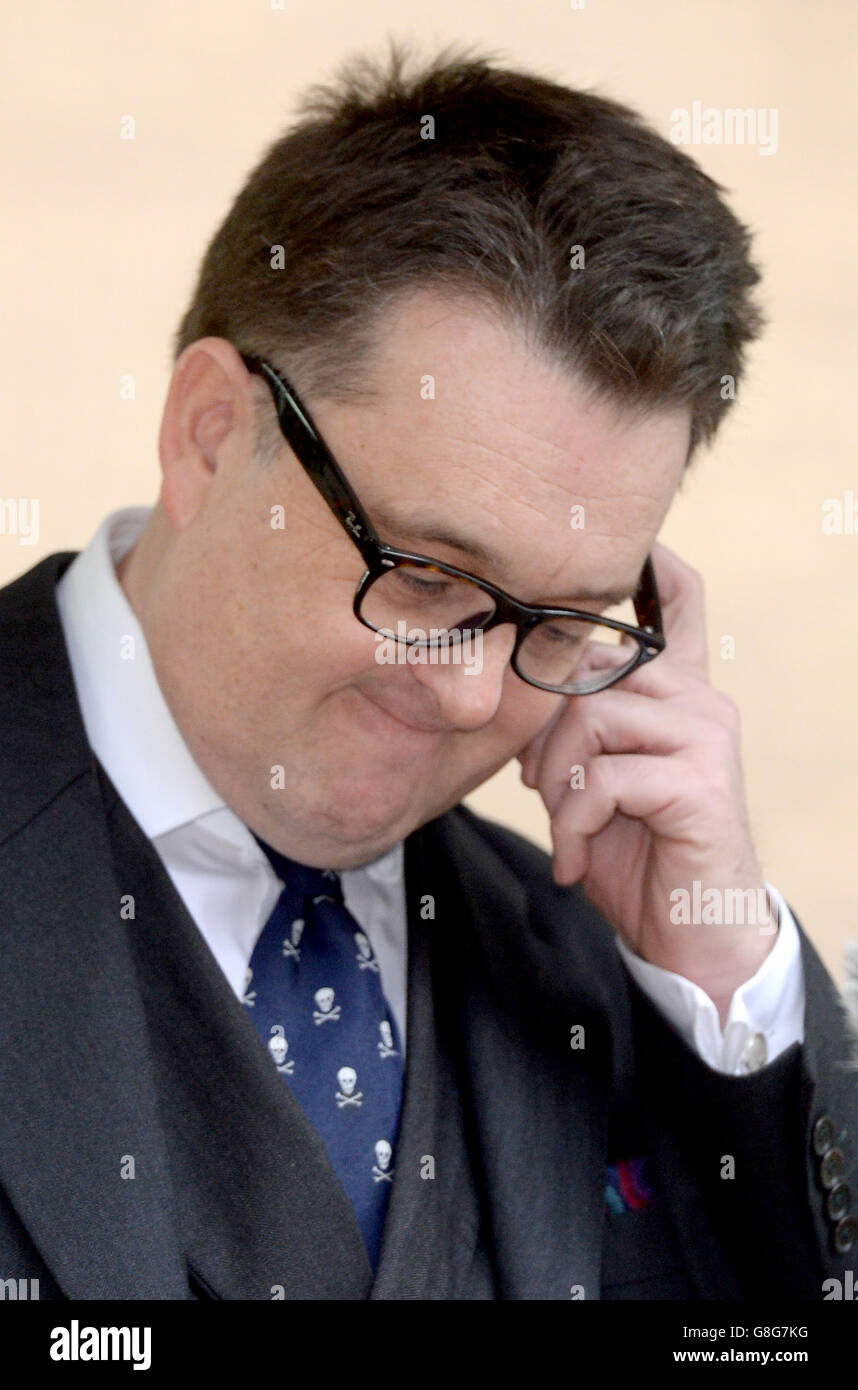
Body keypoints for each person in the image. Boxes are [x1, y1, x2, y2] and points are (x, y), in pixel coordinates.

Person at [0, 43, 854, 1301]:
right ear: (209, 432)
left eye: (560, 621)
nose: (469, 696)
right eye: (424, 573)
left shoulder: (607, 970)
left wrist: (721, 979)